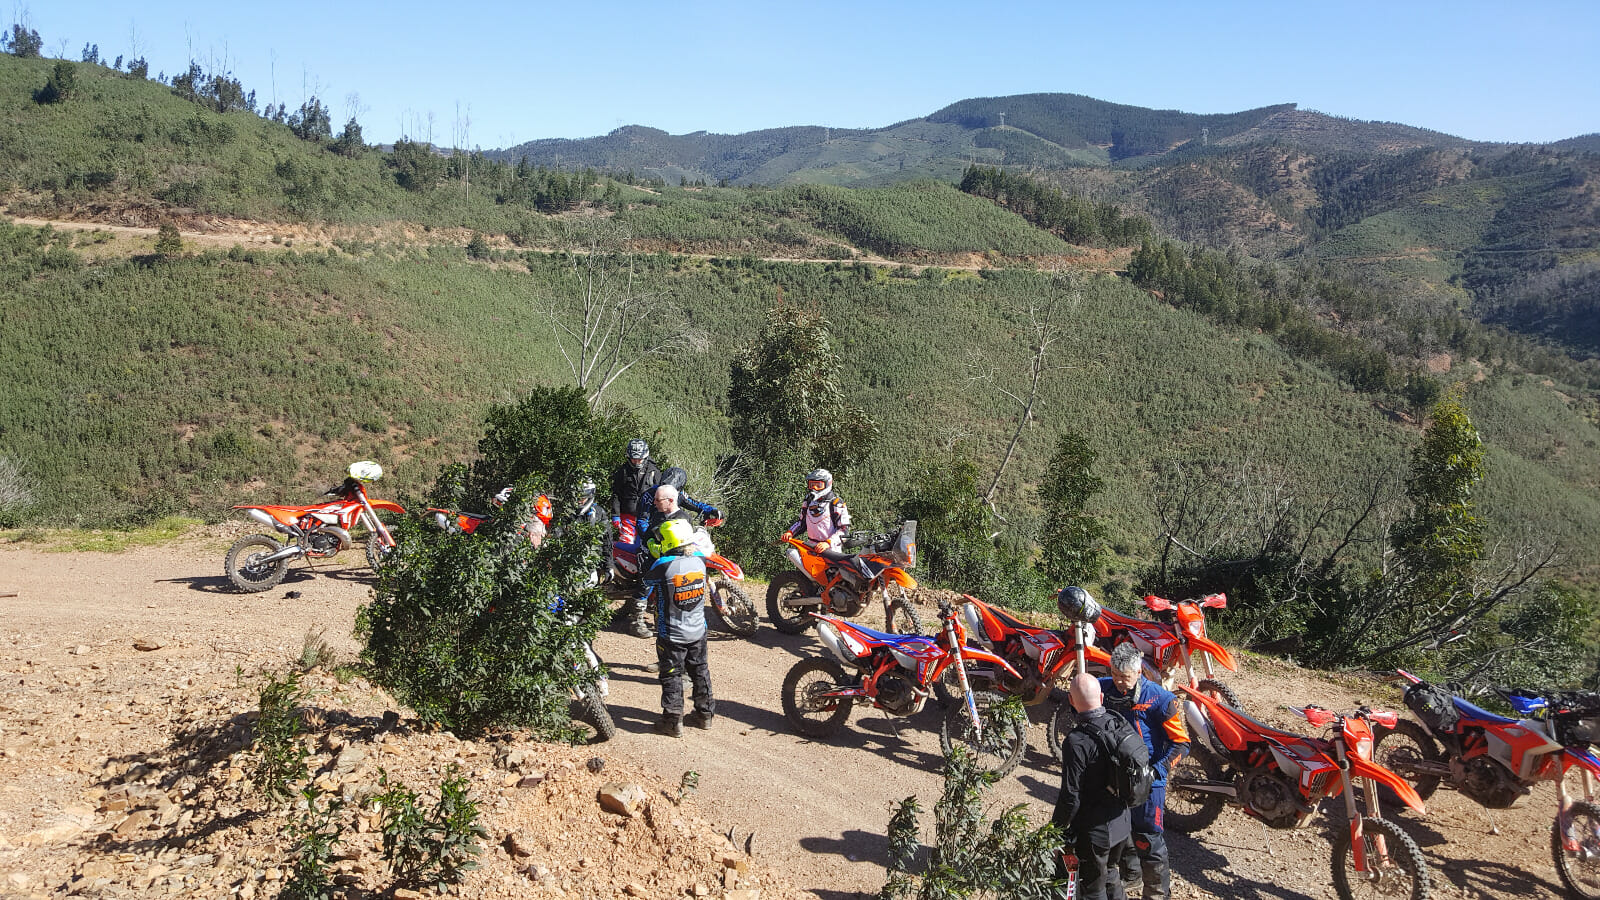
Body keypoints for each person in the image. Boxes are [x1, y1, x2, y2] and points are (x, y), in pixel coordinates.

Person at [1102, 643, 1188, 900]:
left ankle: (1157, 895)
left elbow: (1182, 744)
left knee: (1147, 838)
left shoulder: (1160, 699)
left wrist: (1157, 770)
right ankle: (1131, 875)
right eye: (1115, 675)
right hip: (1115, 777)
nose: (1119, 682)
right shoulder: (1103, 687)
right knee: (1116, 831)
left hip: (1150, 783)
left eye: (1124, 678)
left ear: (1138, 673)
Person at [1054, 672, 1133, 900]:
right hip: (1123, 822)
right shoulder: (1119, 722)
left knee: (1093, 887)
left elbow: (1070, 796)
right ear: (1100, 696)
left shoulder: (1076, 741)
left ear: (1071, 701)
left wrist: (1055, 830)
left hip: (1096, 832)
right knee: (1110, 872)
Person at [642, 518, 714, 737]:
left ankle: (673, 721)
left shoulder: (663, 565)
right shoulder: (701, 561)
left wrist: (652, 555)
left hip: (672, 632)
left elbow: (646, 581)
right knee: (700, 671)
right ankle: (705, 715)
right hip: (698, 629)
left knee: (672, 675)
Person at [785, 468, 870, 581]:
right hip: (811, 548)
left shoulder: (836, 503)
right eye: (812, 485)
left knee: (834, 582)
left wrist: (828, 542)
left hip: (831, 550)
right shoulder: (808, 501)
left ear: (827, 484)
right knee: (810, 579)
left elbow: (844, 529)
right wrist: (790, 532)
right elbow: (801, 522)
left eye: (818, 485)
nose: (814, 488)